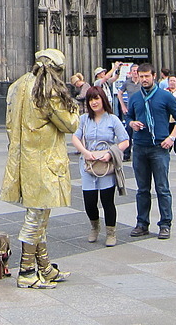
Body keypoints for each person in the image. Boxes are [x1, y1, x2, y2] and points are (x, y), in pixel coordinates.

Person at [0, 49, 79, 288]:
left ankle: (45, 267)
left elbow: (9, 122)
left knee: (40, 214)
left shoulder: (19, 85)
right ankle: (26, 271)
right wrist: (73, 106)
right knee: (36, 217)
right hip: (45, 163)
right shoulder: (48, 91)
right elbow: (70, 124)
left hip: (26, 159)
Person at [126, 63, 176, 239]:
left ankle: (165, 224)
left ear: (154, 76)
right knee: (142, 189)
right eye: (141, 76)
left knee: (162, 187)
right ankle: (142, 223)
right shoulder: (135, 98)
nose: (144, 79)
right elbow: (129, 116)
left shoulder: (165, 96)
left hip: (159, 147)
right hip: (140, 146)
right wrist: (132, 123)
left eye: (147, 76)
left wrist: (171, 138)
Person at [70, 86, 129, 247]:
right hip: (89, 163)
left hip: (105, 164)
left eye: (96, 98)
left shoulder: (112, 119)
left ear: (103, 99)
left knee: (107, 200)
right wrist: (84, 152)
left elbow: (125, 140)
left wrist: (110, 153)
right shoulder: (84, 119)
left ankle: (111, 232)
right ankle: (94, 227)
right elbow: (75, 137)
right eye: (90, 99)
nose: (94, 102)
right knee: (89, 201)